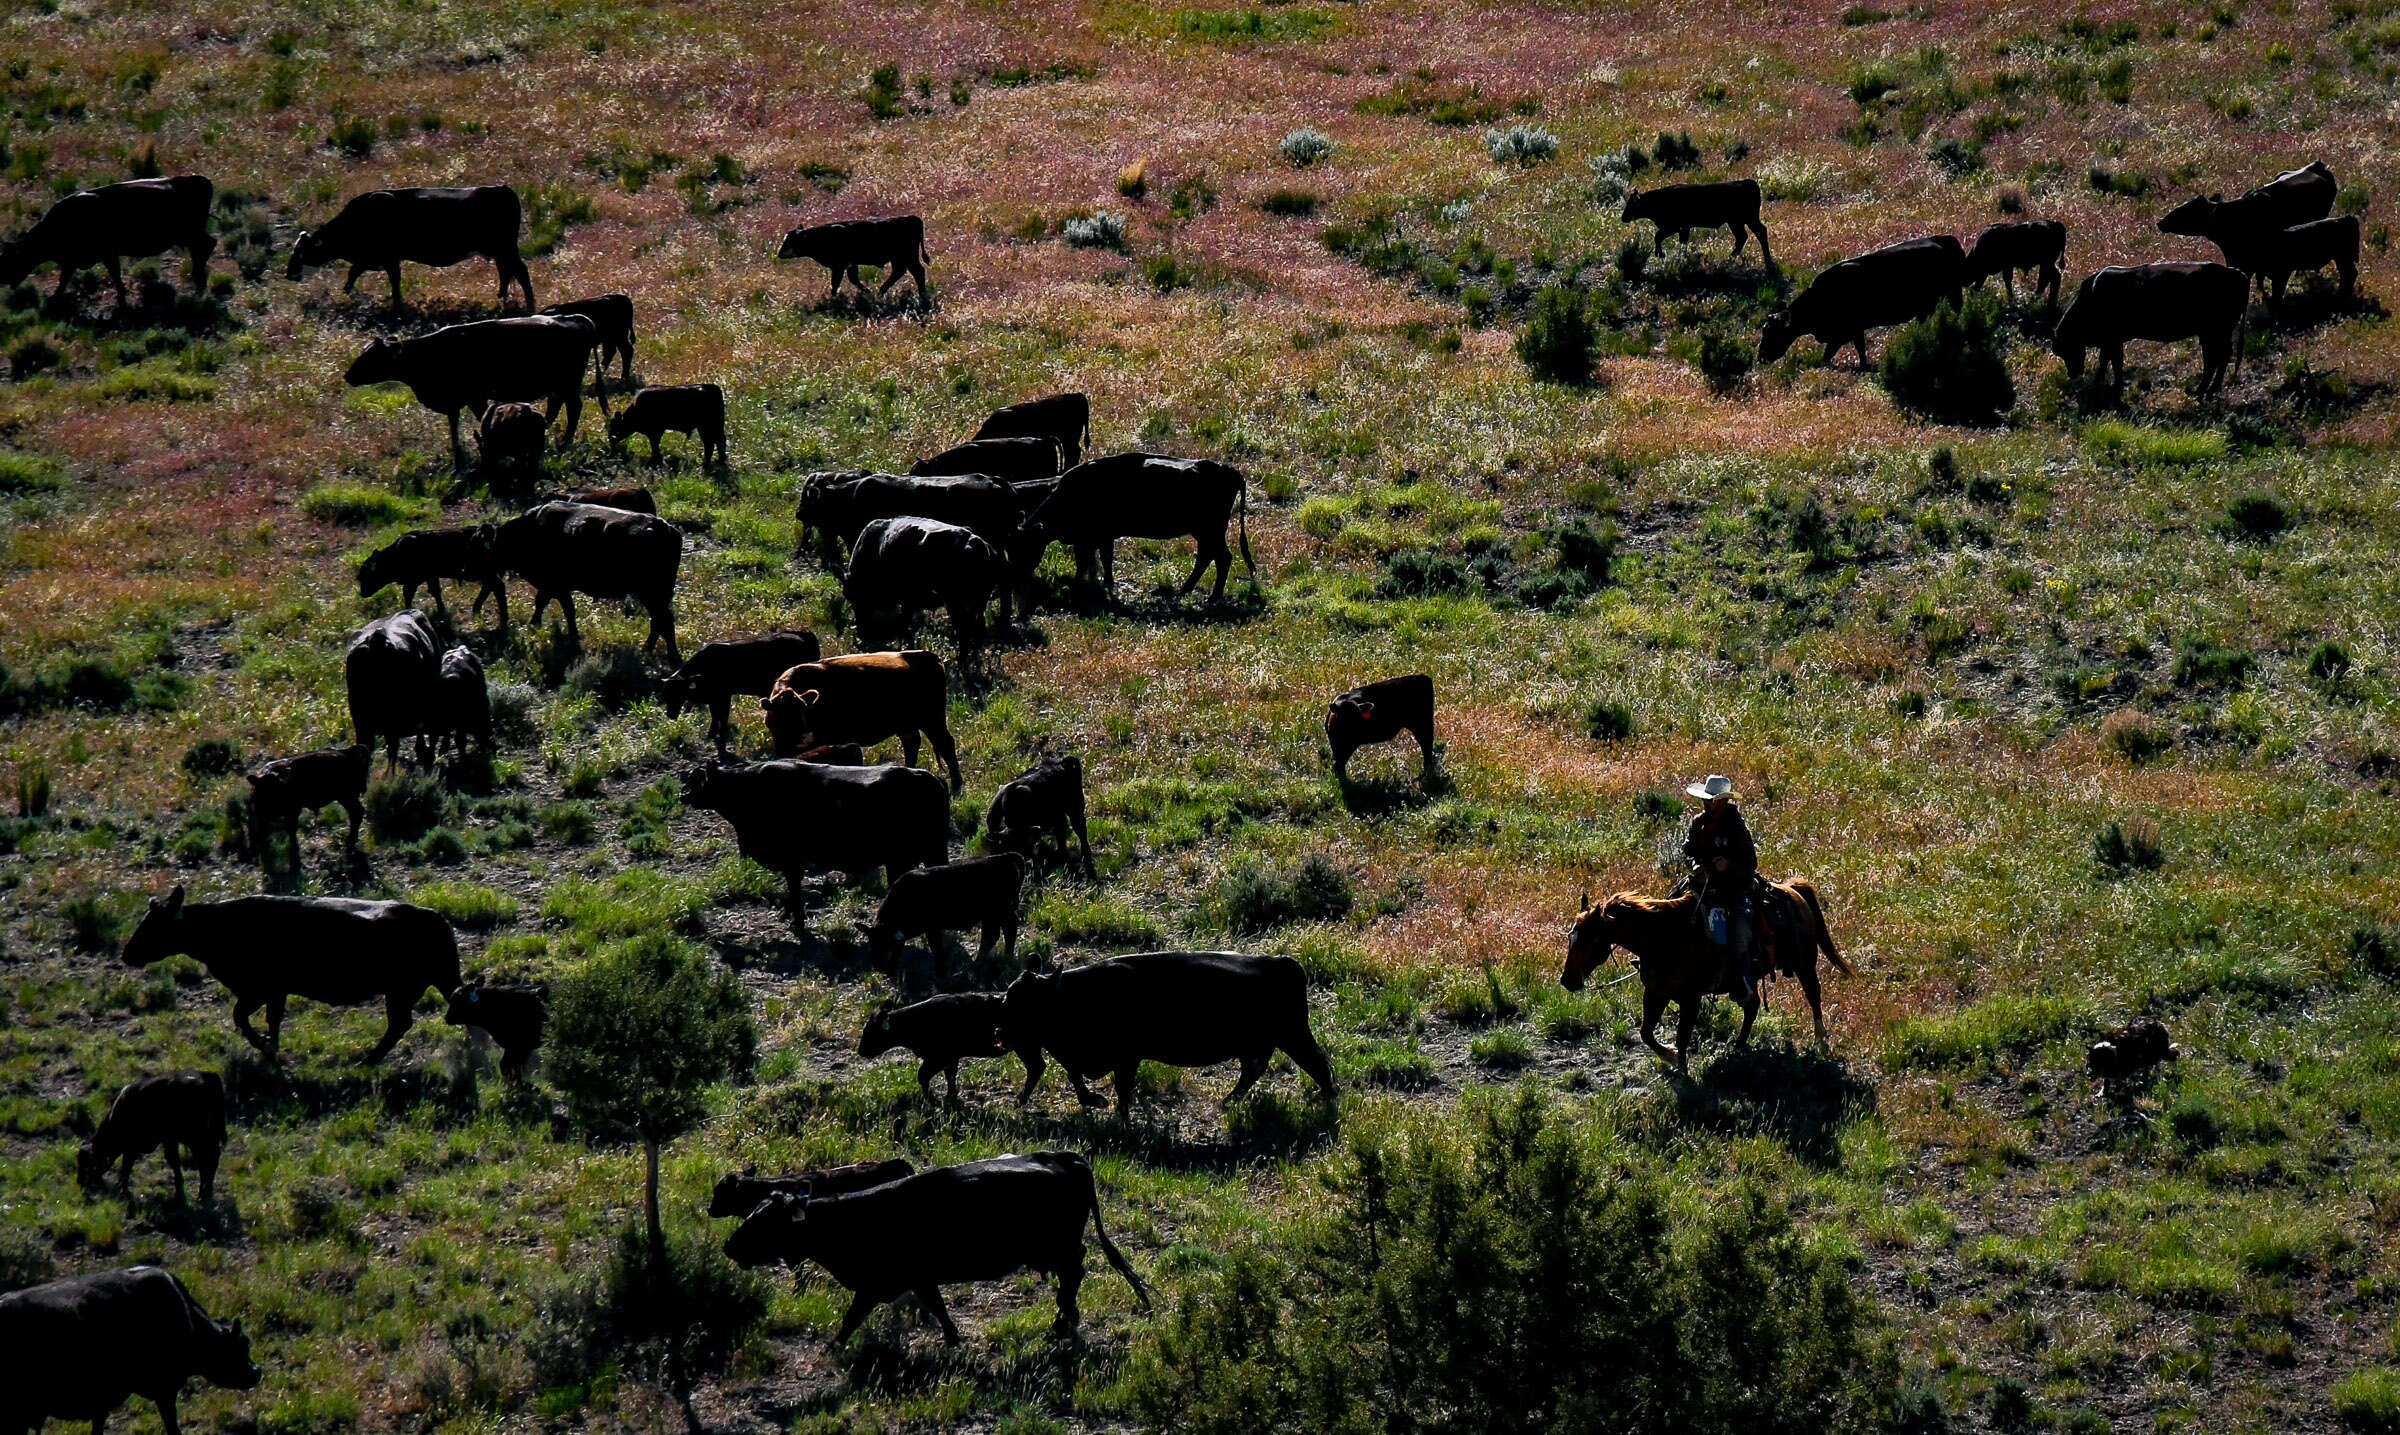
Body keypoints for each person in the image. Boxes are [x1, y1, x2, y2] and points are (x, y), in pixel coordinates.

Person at [1682, 774, 1758, 1001]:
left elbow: (1751, 862)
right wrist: (1696, 866)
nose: (1706, 804)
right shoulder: (1698, 822)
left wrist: (1729, 865)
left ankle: (1741, 979)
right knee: (1674, 906)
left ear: (1723, 802)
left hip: (1734, 888)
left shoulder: (1736, 825)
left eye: (1711, 800)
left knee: (1739, 925)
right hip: (1702, 884)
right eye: (1706, 800)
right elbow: (1688, 852)